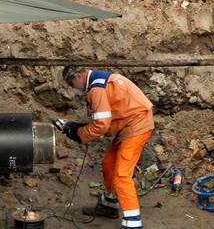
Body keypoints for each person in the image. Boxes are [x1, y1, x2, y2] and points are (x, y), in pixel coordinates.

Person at [59, 66, 154, 229]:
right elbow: (105, 120)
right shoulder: (101, 81)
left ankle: (133, 223)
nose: (73, 87)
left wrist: (79, 133)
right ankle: (109, 205)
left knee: (122, 176)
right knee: (109, 165)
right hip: (130, 124)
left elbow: (102, 125)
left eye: (71, 83)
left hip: (136, 126)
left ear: (80, 76)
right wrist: (80, 128)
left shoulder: (96, 88)